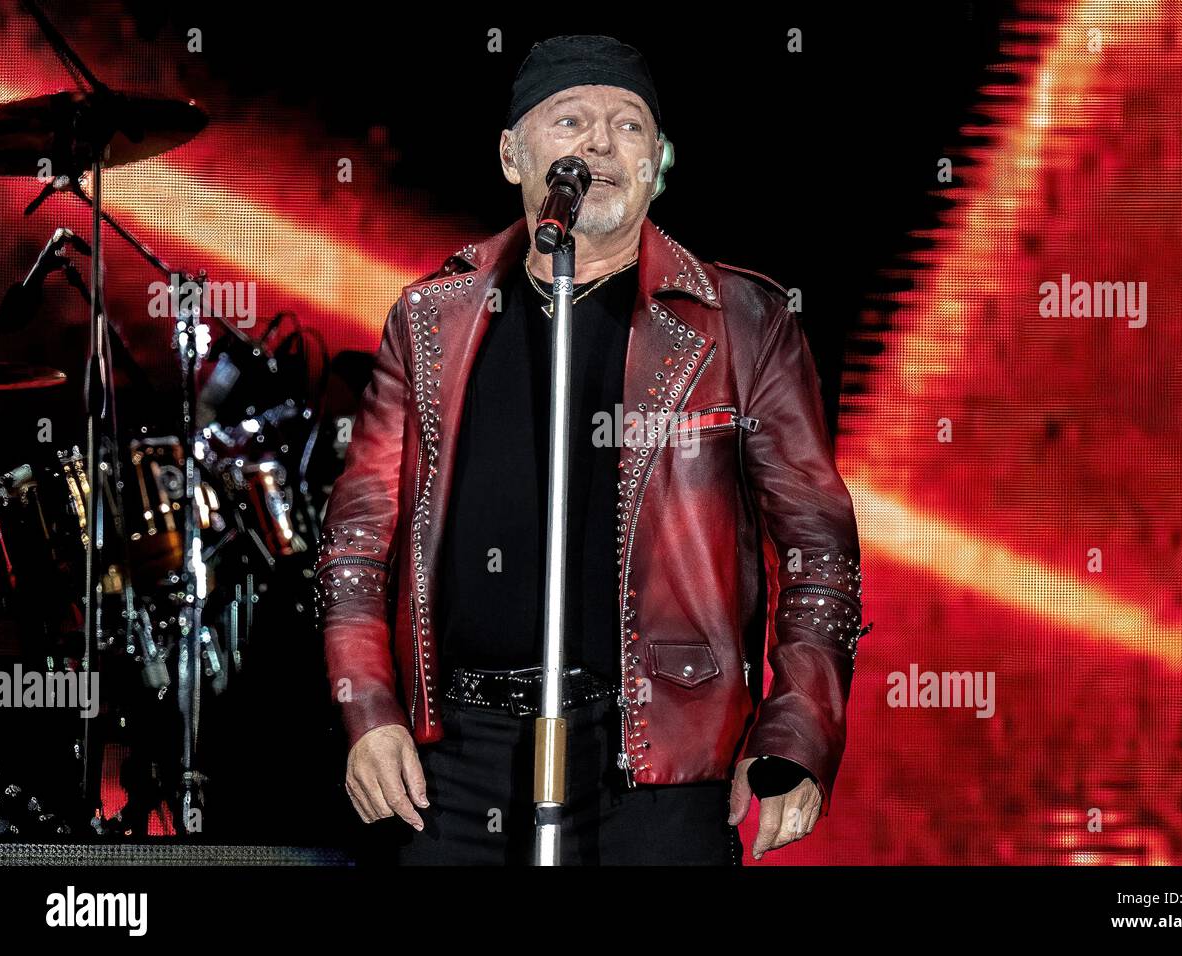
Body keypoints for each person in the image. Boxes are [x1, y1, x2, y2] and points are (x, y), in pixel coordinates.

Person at [316, 34, 869, 864]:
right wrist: (370, 712)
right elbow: (357, 542)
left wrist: (795, 731)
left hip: (662, 760)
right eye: (571, 119)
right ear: (512, 154)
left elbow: (818, 549)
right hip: (459, 762)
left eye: (630, 126)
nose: (601, 144)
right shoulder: (431, 321)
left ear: (657, 162)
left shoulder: (743, 322)